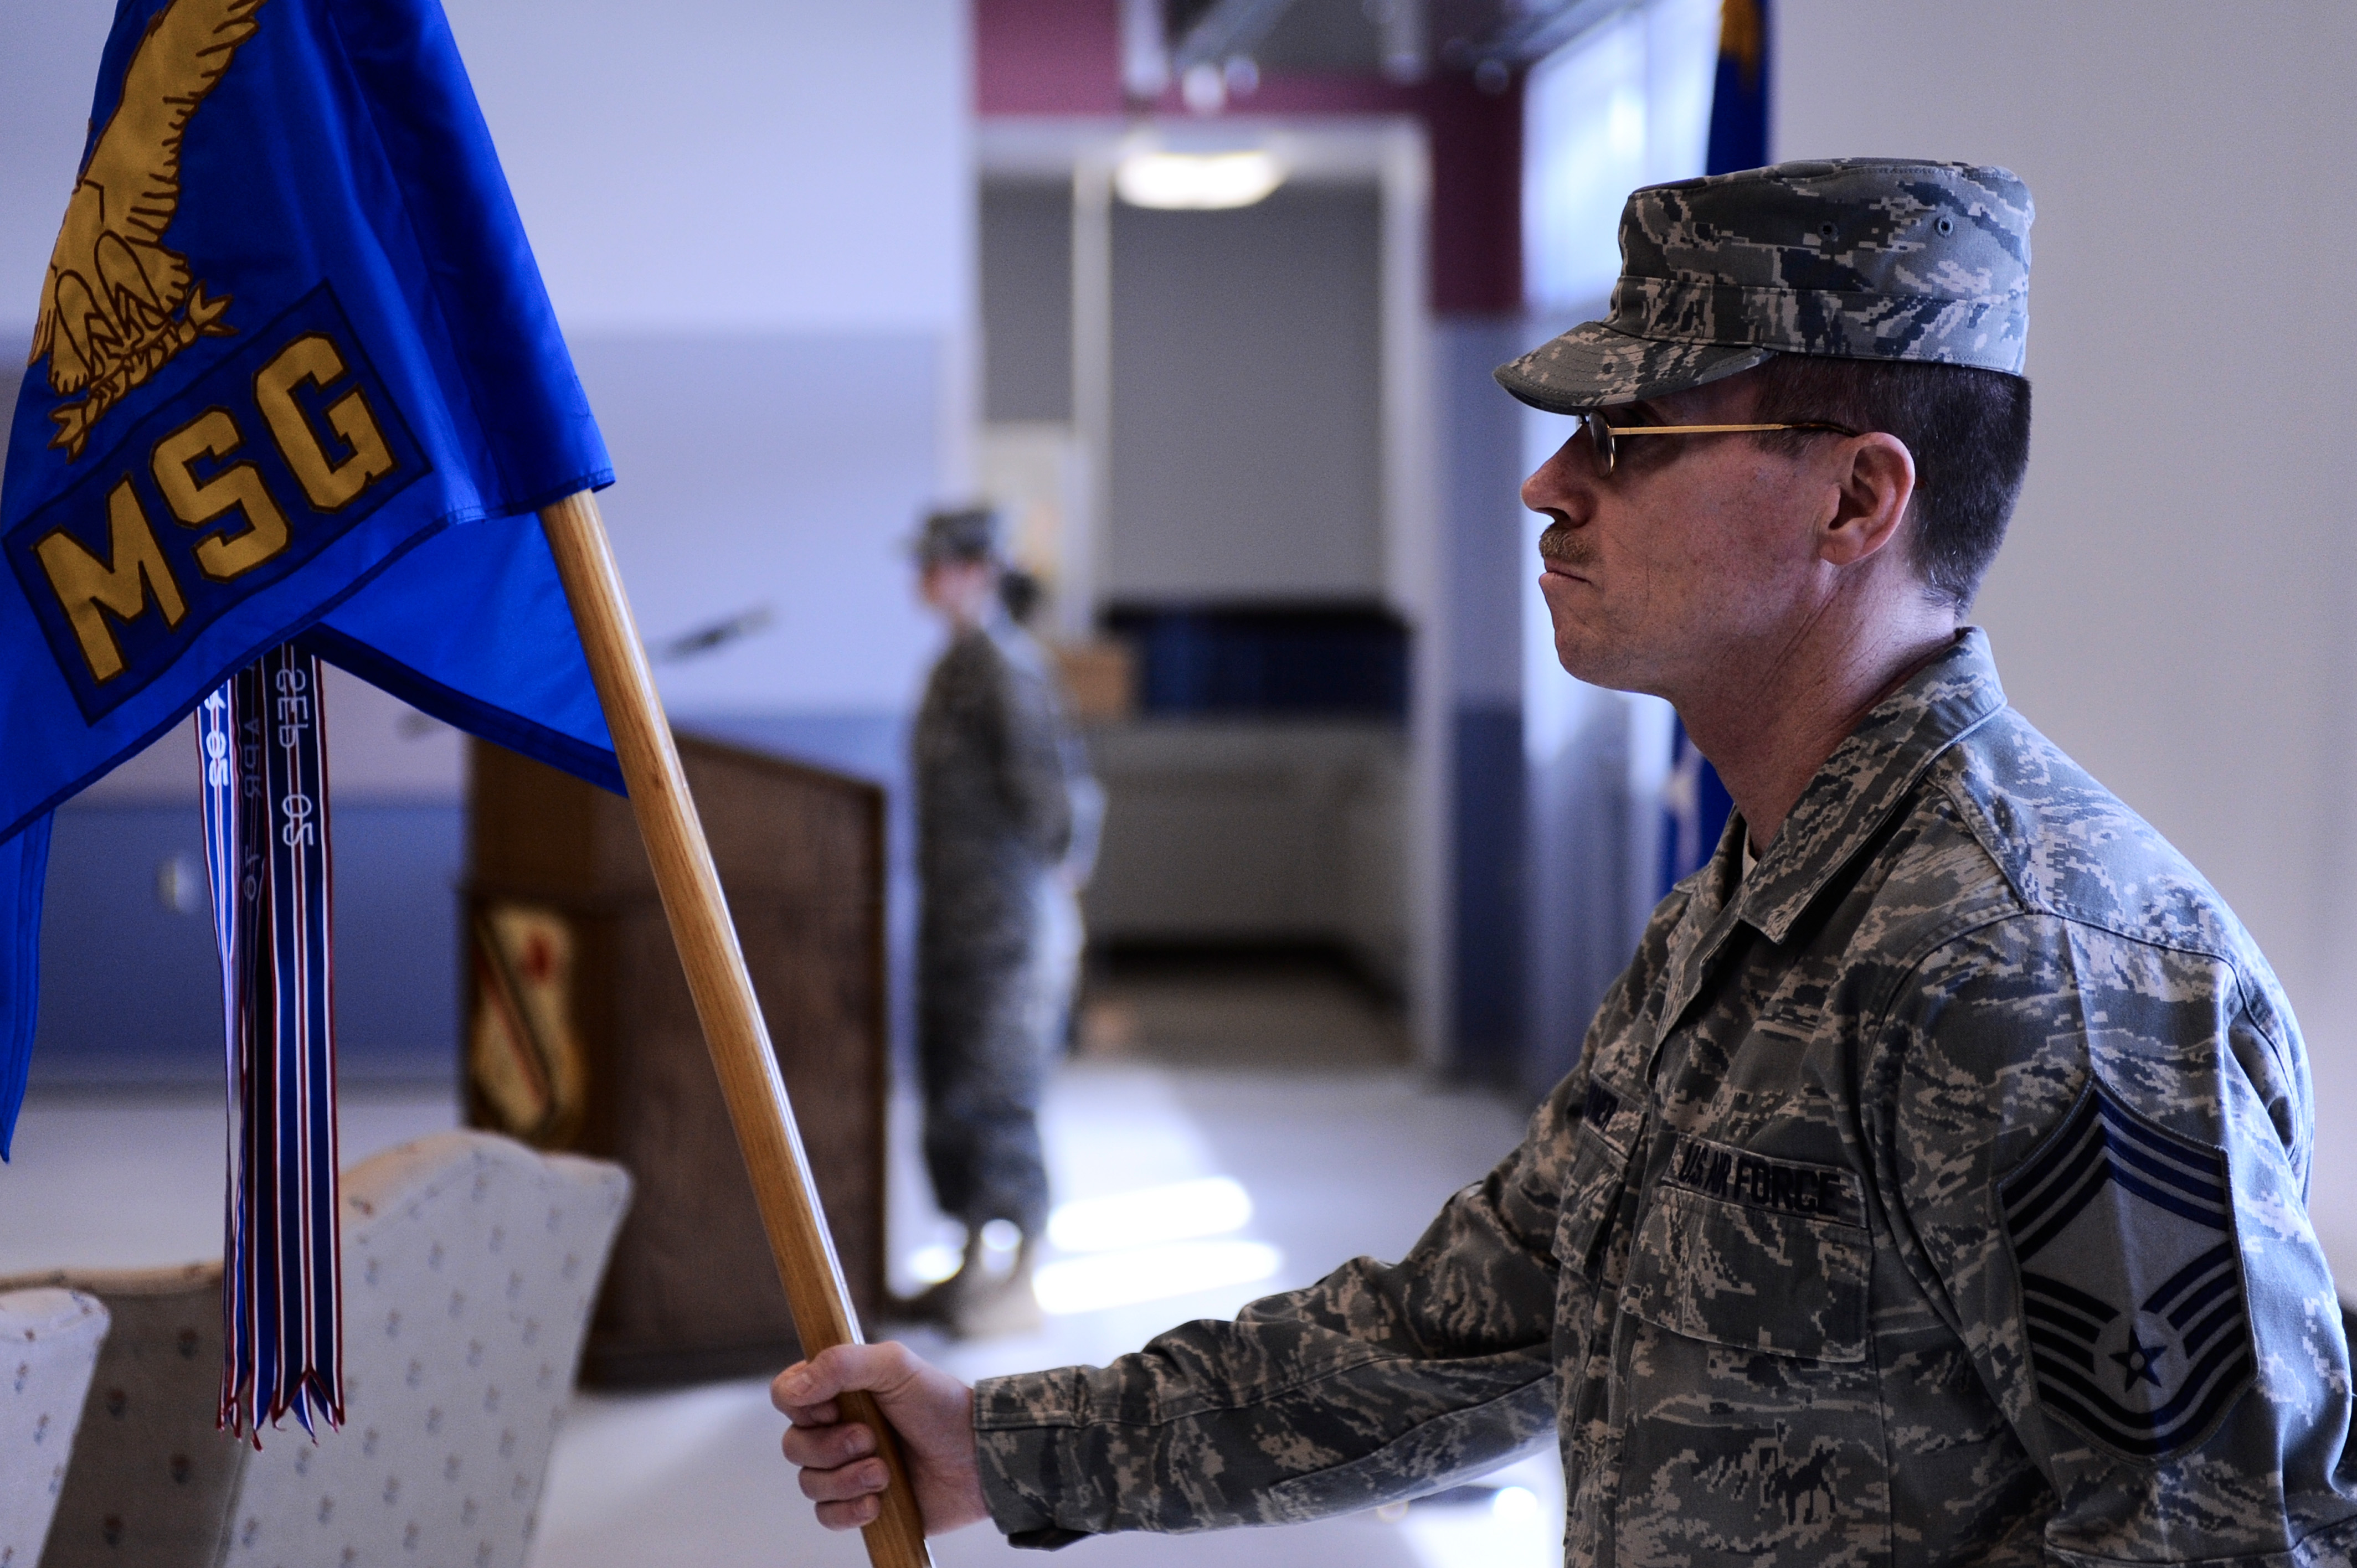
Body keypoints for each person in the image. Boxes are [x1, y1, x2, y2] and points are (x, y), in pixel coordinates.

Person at [776, 161, 2357, 1563]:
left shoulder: (2036, 969)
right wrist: (1011, 1447)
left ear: (1859, 499)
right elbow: (1463, 1327)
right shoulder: (1754, 910)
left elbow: (2221, 1542)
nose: (1551, 483)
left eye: (1638, 435)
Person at [904, 507, 1099, 1338]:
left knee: (999, 1093)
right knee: (951, 1091)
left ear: (979, 569)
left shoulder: (1007, 670)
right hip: (956, 920)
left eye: (937, 563)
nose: (922, 577)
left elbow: (1058, 803)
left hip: (1009, 931)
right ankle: (971, 1261)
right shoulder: (955, 666)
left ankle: (1019, 1276)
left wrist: (1050, 906)